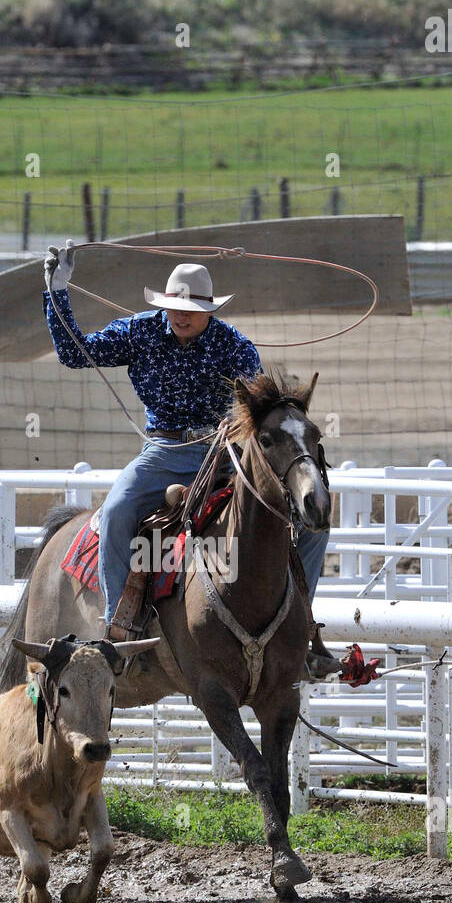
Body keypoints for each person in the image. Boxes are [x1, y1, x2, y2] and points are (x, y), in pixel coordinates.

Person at [43, 240, 330, 656]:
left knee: (308, 524)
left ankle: (300, 624)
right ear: (163, 305)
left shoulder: (234, 347)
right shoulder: (139, 332)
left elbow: (258, 411)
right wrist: (57, 292)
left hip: (224, 453)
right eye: (175, 307)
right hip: (164, 450)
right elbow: (73, 353)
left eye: (192, 310)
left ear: (210, 311)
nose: (181, 315)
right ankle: (117, 624)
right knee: (118, 510)